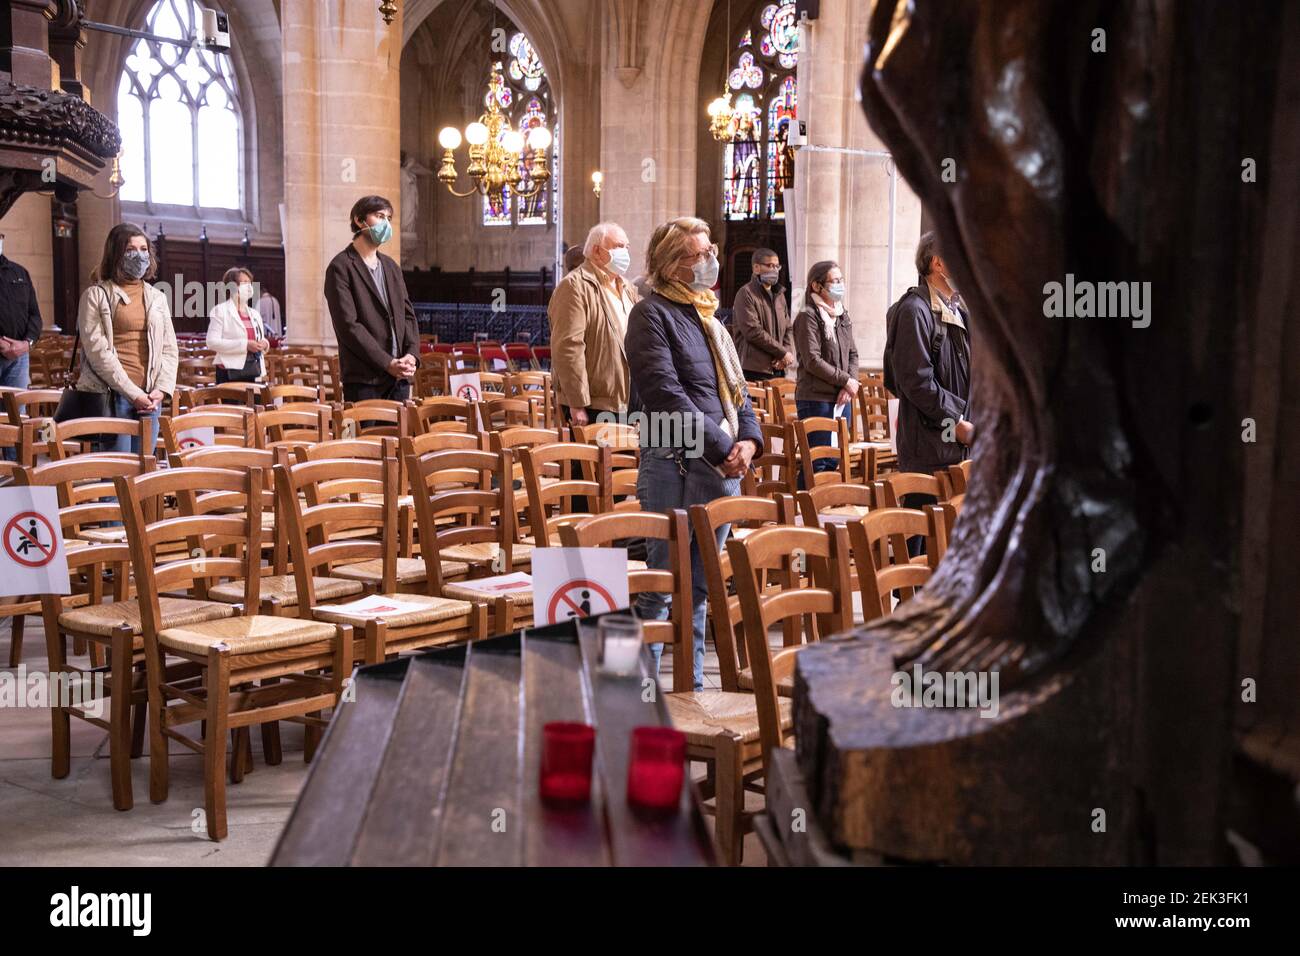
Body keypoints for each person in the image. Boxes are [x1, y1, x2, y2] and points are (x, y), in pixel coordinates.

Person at [626, 216, 763, 691]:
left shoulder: (710, 318)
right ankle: (632, 697)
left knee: (700, 587)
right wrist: (724, 447)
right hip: (674, 463)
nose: (710, 261)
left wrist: (749, 442)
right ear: (671, 265)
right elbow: (665, 395)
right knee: (662, 586)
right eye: (698, 254)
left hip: (718, 469)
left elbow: (738, 393)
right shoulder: (651, 315)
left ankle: (691, 687)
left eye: (710, 251)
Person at [884, 231, 973, 553]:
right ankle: (907, 600)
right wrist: (957, 421)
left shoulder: (959, 308)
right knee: (919, 545)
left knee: (949, 543)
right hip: (929, 447)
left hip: (958, 446)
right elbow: (916, 381)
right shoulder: (915, 310)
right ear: (938, 263)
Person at [74, 222, 178, 454]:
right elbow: (98, 353)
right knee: (115, 477)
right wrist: (133, 393)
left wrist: (161, 389)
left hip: (151, 397)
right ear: (116, 252)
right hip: (113, 395)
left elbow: (170, 349)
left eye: (144, 249)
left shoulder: (157, 297)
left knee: (143, 473)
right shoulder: (96, 295)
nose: (140, 255)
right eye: (131, 249)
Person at [324, 195, 420, 402]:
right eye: (379, 216)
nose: (385, 224)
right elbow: (348, 326)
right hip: (365, 380)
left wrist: (411, 355)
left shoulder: (391, 267)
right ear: (359, 220)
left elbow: (408, 316)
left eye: (388, 218)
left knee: (400, 435)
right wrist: (387, 363)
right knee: (365, 435)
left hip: (400, 379)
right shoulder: (340, 267)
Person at [548, 222, 637, 427]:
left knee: (627, 459)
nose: (625, 252)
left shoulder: (627, 287)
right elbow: (568, 347)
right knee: (595, 460)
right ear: (597, 251)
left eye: (627, 247)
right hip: (594, 403)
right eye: (618, 246)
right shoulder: (574, 286)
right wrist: (577, 403)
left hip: (626, 398)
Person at [794, 259, 859, 478]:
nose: (840, 284)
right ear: (816, 286)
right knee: (817, 462)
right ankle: (802, 510)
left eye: (842, 280)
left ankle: (825, 510)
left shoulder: (842, 314)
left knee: (834, 459)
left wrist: (850, 384)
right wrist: (845, 381)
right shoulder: (808, 316)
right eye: (835, 281)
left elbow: (853, 353)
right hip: (816, 398)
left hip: (842, 398)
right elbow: (812, 359)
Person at [730, 246, 794, 382]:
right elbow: (752, 331)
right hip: (754, 369)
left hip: (779, 367)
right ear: (756, 268)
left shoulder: (780, 295)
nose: (775, 270)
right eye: (770, 266)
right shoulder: (746, 293)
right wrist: (782, 352)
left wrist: (785, 354)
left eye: (777, 266)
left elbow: (788, 328)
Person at [206, 266, 268, 384]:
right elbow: (212, 342)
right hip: (230, 371)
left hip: (253, 369)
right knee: (231, 403)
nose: (249, 287)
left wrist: (264, 343)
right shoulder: (221, 310)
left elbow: (260, 337)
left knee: (255, 402)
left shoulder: (255, 313)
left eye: (250, 283)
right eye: (245, 283)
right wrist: (245, 345)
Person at [0, 232, 43, 391]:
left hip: (19, 356)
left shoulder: (19, 272)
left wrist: (27, 343)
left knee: (17, 413)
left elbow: (35, 314)